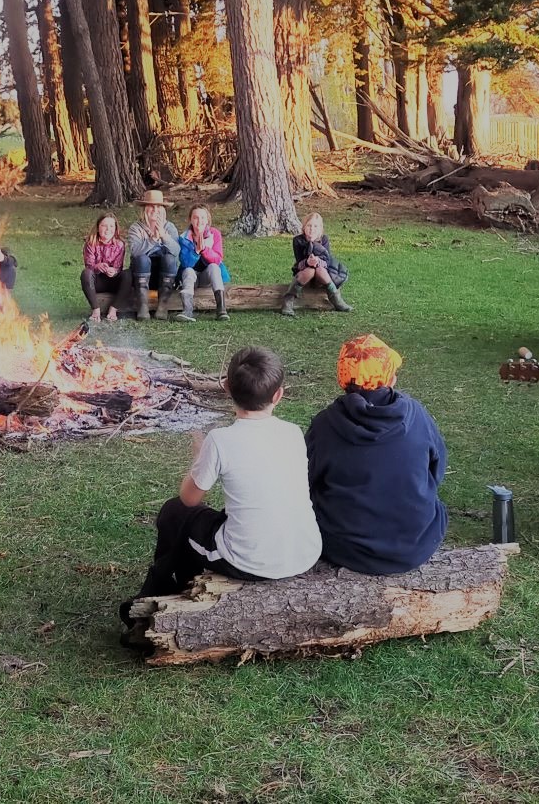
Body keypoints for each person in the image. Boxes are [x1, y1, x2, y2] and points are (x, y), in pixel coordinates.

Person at [126, 347, 321, 606]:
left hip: (249, 562)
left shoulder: (220, 440)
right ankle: (179, 584)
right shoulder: (294, 432)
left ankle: (162, 589)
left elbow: (189, 499)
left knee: (174, 513)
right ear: (278, 395)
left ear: (226, 387)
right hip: (305, 553)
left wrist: (197, 457)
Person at [305, 335, 447, 575]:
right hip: (416, 544)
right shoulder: (417, 416)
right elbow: (437, 469)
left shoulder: (325, 425)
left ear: (342, 378)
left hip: (345, 548)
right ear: (390, 378)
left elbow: (307, 481)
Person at [126, 190, 181, 321]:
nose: (154, 210)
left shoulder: (169, 227)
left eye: (158, 206)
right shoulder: (136, 228)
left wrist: (163, 236)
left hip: (164, 277)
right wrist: (153, 239)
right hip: (142, 277)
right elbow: (135, 251)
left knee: (169, 258)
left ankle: (162, 306)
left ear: (163, 209)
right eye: (151, 206)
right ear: (144, 209)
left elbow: (177, 251)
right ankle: (142, 307)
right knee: (142, 258)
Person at [282, 212, 351, 316]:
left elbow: (327, 261)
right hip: (304, 277)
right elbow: (299, 261)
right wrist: (308, 262)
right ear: (304, 227)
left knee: (318, 269)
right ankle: (289, 300)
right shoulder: (297, 240)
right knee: (310, 270)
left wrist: (317, 261)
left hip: (321, 278)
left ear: (320, 229)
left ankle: (337, 299)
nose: (312, 229)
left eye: (315, 226)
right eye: (309, 225)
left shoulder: (324, 239)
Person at [177, 205, 230, 322]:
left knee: (214, 267)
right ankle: (187, 310)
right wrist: (196, 251)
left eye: (202, 217)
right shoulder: (184, 238)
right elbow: (185, 263)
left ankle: (221, 309)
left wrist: (205, 250)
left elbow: (218, 259)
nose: (199, 221)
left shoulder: (214, 234)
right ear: (190, 219)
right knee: (188, 271)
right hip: (192, 279)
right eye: (195, 217)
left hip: (208, 277)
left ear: (207, 220)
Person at [81, 213, 127, 323]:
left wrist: (114, 271)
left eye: (111, 226)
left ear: (115, 229)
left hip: (112, 281)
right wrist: (97, 266)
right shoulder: (91, 243)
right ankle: (96, 310)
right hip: (97, 281)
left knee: (128, 274)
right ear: (98, 228)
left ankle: (113, 309)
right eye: (104, 226)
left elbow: (118, 266)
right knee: (86, 273)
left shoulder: (120, 244)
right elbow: (89, 265)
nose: (108, 229)